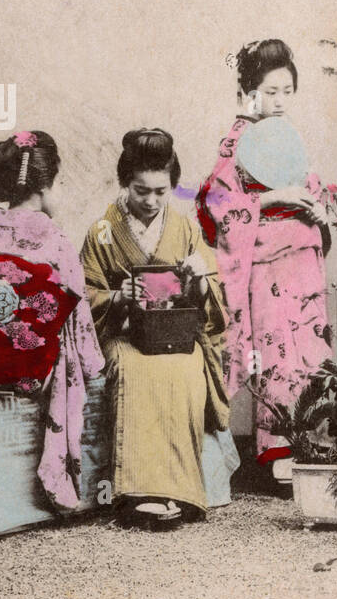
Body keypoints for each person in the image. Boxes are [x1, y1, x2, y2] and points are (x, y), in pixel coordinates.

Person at [196, 39, 337, 483]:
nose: (278, 101)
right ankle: (276, 452)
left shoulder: (286, 136)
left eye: (286, 92)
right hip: (266, 261)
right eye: (269, 92)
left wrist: (318, 209)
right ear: (248, 93)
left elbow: (313, 187)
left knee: (310, 348)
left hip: (302, 257)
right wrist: (274, 197)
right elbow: (213, 202)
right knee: (276, 352)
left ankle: (313, 444)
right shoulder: (238, 140)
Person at [81, 128, 234, 526]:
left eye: (161, 192)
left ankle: (181, 493)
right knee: (134, 370)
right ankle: (138, 493)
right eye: (140, 190)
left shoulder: (185, 228)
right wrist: (118, 297)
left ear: (172, 187)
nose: (150, 201)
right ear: (124, 183)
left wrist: (199, 278)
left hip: (176, 335)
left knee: (186, 370)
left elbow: (213, 293)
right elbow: (85, 295)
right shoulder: (102, 231)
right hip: (126, 336)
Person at [0, 130, 106, 511]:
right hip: (31, 370)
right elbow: (79, 317)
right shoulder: (56, 239)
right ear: (46, 187)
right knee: (68, 326)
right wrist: (96, 369)